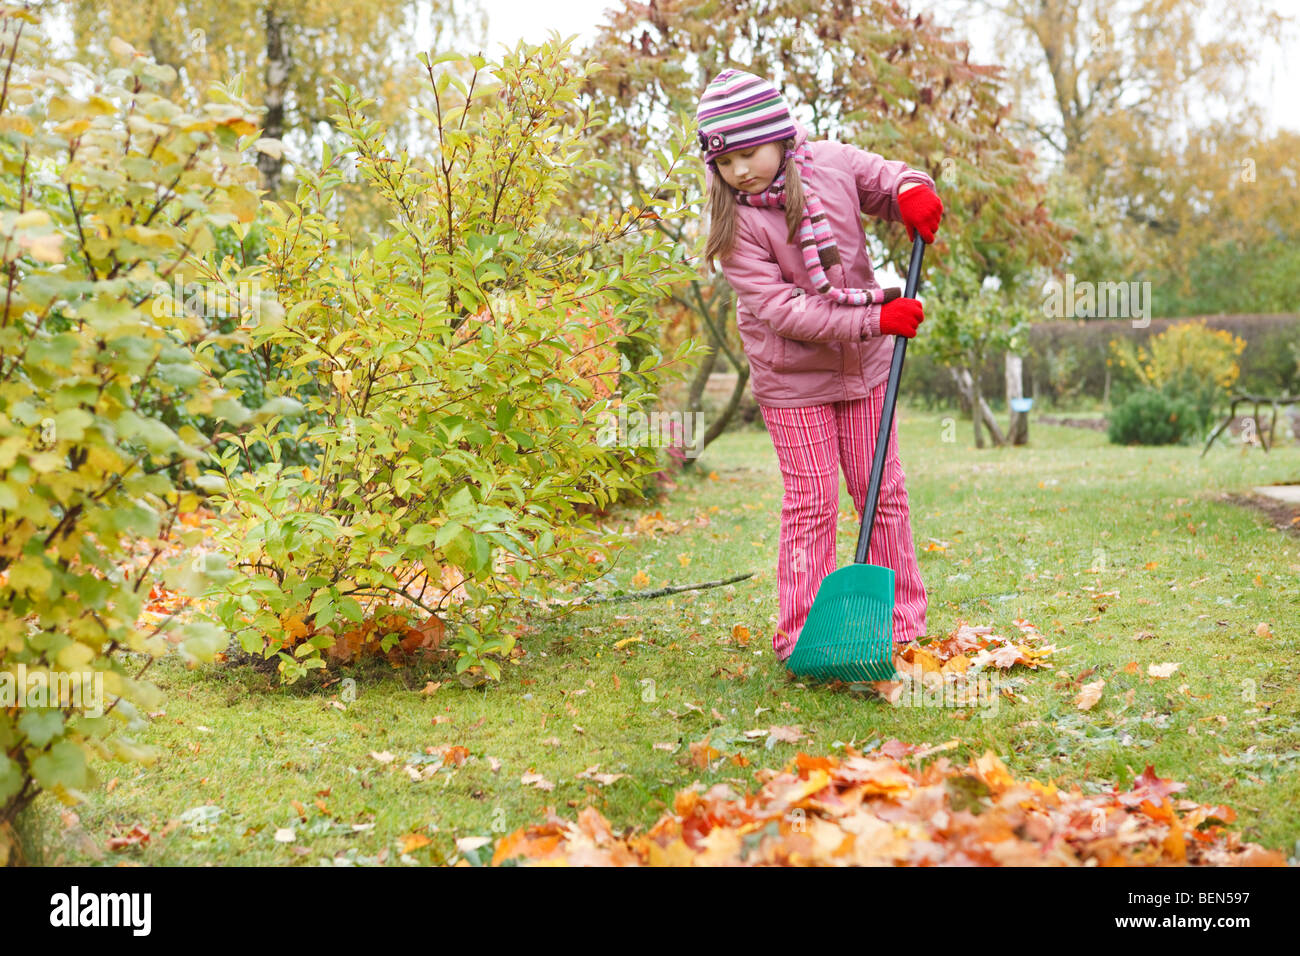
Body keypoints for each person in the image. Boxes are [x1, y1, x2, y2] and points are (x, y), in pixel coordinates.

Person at [695, 67, 944, 667]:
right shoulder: (735, 228)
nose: (740, 172)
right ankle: (804, 636)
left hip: (863, 368)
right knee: (812, 501)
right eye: (725, 163)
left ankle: (900, 625)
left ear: (779, 134)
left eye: (749, 153)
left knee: (882, 489)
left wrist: (913, 190)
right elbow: (786, 312)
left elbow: (888, 180)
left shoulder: (831, 163)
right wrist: (875, 320)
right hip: (793, 382)